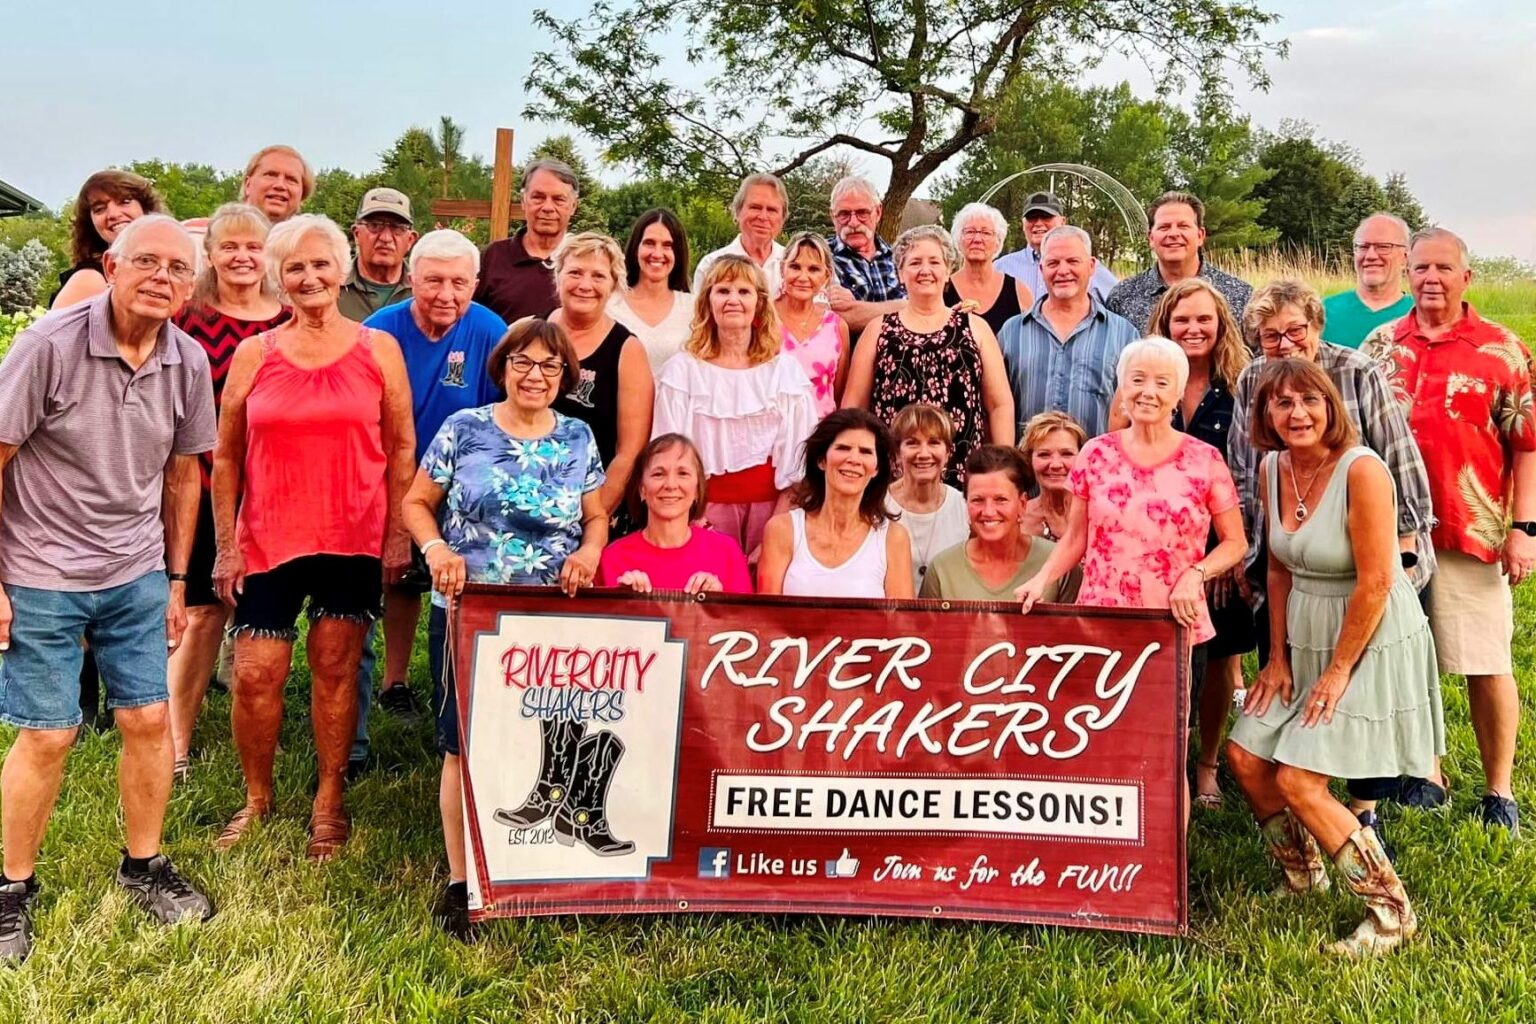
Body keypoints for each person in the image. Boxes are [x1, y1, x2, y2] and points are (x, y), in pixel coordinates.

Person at [0, 215, 217, 963]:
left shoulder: (187, 361)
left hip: (135, 571)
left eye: (178, 269)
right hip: (41, 568)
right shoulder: (47, 346)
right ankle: (11, 889)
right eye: (147, 262)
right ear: (113, 264)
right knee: (50, 732)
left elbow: (185, 473)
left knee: (149, 720)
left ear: (191, 286)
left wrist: (177, 578)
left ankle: (144, 866)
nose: (162, 277)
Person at [210, 214, 415, 862]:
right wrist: (226, 544)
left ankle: (329, 797)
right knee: (255, 675)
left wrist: (396, 537)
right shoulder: (255, 354)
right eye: (294, 267)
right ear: (279, 277)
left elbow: (402, 445)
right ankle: (258, 796)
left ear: (342, 269)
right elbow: (225, 457)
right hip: (269, 537)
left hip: (351, 534)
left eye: (320, 264)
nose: (309, 276)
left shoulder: (377, 348)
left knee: (334, 668)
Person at [1226, 358, 1444, 957]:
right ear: (1265, 414)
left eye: (1309, 401)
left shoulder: (1362, 470)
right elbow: (1275, 566)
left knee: (1299, 778)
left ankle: (1391, 911)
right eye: (1282, 403)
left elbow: (1377, 581)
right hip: (1302, 630)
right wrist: (1277, 656)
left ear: (1330, 407)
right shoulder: (1272, 468)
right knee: (1245, 757)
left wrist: (1338, 670)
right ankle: (1303, 875)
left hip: (1366, 633)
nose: (1297, 413)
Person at [401, 317, 609, 939]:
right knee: (462, 739)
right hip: (469, 609)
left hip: (552, 617)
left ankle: (530, 863)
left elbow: (595, 515)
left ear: (565, 376)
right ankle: (461, 882)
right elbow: (416, 502)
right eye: (523, 362)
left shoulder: (578, 437)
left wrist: (590, 553)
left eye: (549, 366)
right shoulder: (463, 429)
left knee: (548, 735)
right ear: (502, 368)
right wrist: (436, 550)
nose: (535, 375)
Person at [1231, 278, 1439, 846]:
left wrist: (1406, 552)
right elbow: (1244, 477)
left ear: (1316, 329)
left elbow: (1398, 460)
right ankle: (1306, 865)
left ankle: (1363, 815)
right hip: (1299, 565)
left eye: (1295, 331)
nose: (1284, 344)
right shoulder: (1256, 391)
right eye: (1270, 336)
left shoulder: (1357, 377)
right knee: (1260, 749)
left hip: (1364, 559)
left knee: (1338, 731)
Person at [1362, 227, 1535, 834]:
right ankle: (1426, 773)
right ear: (1406, 275)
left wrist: (1525, 529)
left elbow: (1526, 446)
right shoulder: (1382, 344)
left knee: (1487, 660)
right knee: (1406, 658)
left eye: (1443, 268)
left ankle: (1499, 791)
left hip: (1471, 528)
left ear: (1467, 276)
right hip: (1394, 532)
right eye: (1420, 268)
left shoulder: (1502, 350)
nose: (1430, 278)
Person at [352, 230, 507, 770]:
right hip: (380, 478)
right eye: (434, 280)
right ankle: (360, 709)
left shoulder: (489, 330)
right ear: (410, 278)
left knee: (434, 583)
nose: (446, 293)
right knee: (379, 580)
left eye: (459, 282)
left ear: (475, 285)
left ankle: (431, 694)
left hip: (457, 485)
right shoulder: (377, 331)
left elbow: (499, 417)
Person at [1017, 338, 1248, 699]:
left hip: (1177, 623)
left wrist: (1196, 574)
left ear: (1178, 392)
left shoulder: (1205, 459)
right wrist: (1041, 579)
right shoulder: (1095, 453)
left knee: (1169, 742)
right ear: (1122, 388)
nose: (1148, 392)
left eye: (1161, 382)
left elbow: (1236, 542)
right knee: (1103, 735)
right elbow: (1077, 538)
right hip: (1102, 624)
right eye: (1137, 380)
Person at [166, 203, 291, 780]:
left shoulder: (290, 319)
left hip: (277, 488)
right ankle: (176, 742)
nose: (242, 258)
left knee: (269, 614)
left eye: (253, 247)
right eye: (229, 247)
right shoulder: (187, 319)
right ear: (210, 254)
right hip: (204, 480)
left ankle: (261, 729)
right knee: (201, 613)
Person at [1137, 278, 1255, 809]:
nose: (1193, 329)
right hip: (1155, 547)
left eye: (1203, 319)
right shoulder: (1149, 378)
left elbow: (1252, 466)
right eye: (1182, 319)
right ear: (1165, 324)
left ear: (1220, 324)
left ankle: (1205, 763)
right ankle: (1156, 764)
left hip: (1220, 545)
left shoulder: (1238, 385)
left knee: (1216, 659)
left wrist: (1236, 553)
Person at [653, 256, 818, 560]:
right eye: (723, 290)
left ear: (759, 302)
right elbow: (666, 452)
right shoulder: (682, 372)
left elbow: (801, 461)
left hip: (773, 513)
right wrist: (691, 519)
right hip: (700, 513)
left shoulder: (785, 373)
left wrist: (776, 532)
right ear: (708, 301)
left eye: (744, 291)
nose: (733, 300)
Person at [842, 225, 1015, 485]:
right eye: (914, 263)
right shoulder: (877, 330)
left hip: (962, 471)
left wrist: (1001, 467)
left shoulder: (975, 328)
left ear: (947, 272)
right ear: (900, 273)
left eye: (934, 262)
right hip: (892, 474)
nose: (925, 270)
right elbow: (854, 405)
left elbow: (999, 405)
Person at [547, 232, 655, 527]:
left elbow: (629, 451)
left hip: (591, 508)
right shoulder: (528, 332)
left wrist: (592, 519)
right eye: (575, 273)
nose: (585, 285)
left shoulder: (627, 350)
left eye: (598, 276)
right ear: (558, 276)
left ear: (614, 285)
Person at [996, 226, 1138, 440]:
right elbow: (995, 406)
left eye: (1073, 261)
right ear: (1041, 269)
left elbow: (1134, 412)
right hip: (1027, 468)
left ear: (1091, 266)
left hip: (1096, 469)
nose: (1063, 271)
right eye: (1053, 263)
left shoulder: (1124, 335)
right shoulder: (1011, 332)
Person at [758, 409, 913, 598]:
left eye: (865, 452)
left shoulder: (893, 538)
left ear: (876, 468)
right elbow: (767, 616)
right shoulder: (782, 529)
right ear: (822, 460)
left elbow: (901, 624)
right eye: (843, 448)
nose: (854, 459)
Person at [599, 434, 753, 594]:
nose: (671, 485)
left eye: (683, 473)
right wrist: (621, 604)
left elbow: (747, 618)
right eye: (658, 474)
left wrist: (719, 603)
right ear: (642, 490)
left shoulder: (727, 553)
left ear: (697, 490)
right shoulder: (612, 558)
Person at [921, 445, 1076, 602]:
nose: (988, 511)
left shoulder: (1059, 563)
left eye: (1000, 500)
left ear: (1022, 504)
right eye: (977, 500)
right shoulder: (942, 569)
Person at [1105, 192, 1252, 333]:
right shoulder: (1123, 297)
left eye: (1183, 226)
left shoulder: (1240, 296)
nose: (1174, 234)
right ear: (1151, 238)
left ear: (1200, 236)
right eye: (1164, 227)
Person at [474, 158, 579, 322]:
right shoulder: (492, 257)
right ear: (523, 201)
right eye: (538, 197)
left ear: (573, 206)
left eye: (558, 199)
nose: (547, 208)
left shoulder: (585, 261)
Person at [52, 169, 166, 309]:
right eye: (99, 209)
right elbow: (50, 331)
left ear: (146, 209)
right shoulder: (91, 280)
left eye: (125, 201)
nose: (113, 214)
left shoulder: (165, 272)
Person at [885, 404, 969, 590]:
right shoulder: (877, 506)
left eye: (934, 442)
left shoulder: (964, 506)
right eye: (912, 443)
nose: (924, 454)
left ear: (948, 453)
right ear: (898, 454)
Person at [608, 208, 693, 374]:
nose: (657, 253)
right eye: (649, 243)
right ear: (635, 248)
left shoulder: (695, 308)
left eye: (667, 245)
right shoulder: (610, 305)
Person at [993, 191, 1118, 304]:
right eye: (1032, 218)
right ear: (1023, 224)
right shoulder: (1002, 268)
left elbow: (1119, 307)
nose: (1038, 223)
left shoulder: (1089, 267)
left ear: (1063, 222)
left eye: (1046, 216)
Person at [775, 232, 851, 417]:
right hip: (770, 432)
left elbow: (838, 392)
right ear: (782, 269)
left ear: (827, 275)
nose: (803, 277)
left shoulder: (836, 326)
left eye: (813, 269)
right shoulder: (762, 317)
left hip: (819, 436)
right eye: (795, 267)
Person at [1321, 214, 1414, 350]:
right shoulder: (1322, 312)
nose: (1370, 256)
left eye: (1383, 247)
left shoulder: (1421, 315)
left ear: (1405, 258)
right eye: (1363, 247)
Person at [825, 175, 905, 332]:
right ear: (833, 217)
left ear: (878, 212)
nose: (853, 222)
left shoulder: (900, 258)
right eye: (844, 214)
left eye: (862, 213)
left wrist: (859, 309)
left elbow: (928, 309)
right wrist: (905, 307)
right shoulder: (819, 257)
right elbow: (836, 319)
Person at [943, 203, 1033, 337]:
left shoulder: (1018, 291)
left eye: (986, 233)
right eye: (970, 232)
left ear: (998, 241)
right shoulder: (942, 290)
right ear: (958, 238)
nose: (977, 239)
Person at [693, 173, 788, 297]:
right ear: (738, 212)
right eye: (755, 207)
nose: (763, 217)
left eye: (771, 210)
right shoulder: (711, 265)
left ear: (782, 218)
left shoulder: (794, 264)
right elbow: (701, 315)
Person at [337, 188, 417, 322]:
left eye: (397, 228)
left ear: (410, 240)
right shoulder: (330, 287)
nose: (385, 238)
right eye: (375, 225)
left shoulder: (423, 291)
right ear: (357, 234)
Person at [1018, 411, 1087, 543]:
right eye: (1044, 455)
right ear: (1029, 459)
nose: (1055, 464)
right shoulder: (1017, 519)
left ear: (1083, 457)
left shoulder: (1099, 515)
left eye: (1066, 454)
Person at [240, 145, 313, 224]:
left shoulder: (317, 234)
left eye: (291, 179)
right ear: (248, 185)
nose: (280, 185)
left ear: (302, 195)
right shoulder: (225, 233)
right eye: (271, 175)